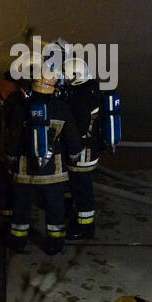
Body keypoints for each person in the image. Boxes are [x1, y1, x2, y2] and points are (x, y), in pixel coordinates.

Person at [6, 61, 80, 255]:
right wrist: (73, 157)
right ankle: (55, 244)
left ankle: (18, 241)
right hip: (53, 172)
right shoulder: (61, 108)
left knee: (21, 208)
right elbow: (72, 137)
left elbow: (13, 138)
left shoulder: (22, 107)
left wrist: (11, 159)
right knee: (55, 209)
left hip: (25, 171)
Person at [59, 55, 102, 240]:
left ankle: (85, 227)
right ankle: (72, 212)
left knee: (82, 190)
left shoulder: (80, 100)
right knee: (78, 186)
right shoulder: (90, 89)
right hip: (91, 149)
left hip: (82, 153)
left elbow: (77, 130)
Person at [0, 68, 27, 228]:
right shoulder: (17, 99)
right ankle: (7, 216)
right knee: (9, 184)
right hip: (8, 148)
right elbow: (16, 128)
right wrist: (13, 152)